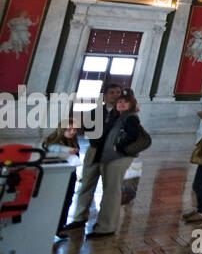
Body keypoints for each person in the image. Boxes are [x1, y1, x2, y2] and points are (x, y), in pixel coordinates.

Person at [66, 83, 123, 232]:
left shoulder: (124, 115)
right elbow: (87, 130)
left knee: (110, 189)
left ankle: (105, 223)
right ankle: (79, 218)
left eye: (118, 92)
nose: (115, 95)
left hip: (112, 155)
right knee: (86, 185)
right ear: (104, 96)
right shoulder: (94, 112)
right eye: (112, 92)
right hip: (94, 151)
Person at [88, 90, 144, 237]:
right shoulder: (120, 117)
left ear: (131, 104)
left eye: (125, 102)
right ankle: (103, 223)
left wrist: (118, 147)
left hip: (119, 158)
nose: (121, 104)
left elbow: (133, 135)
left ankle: (106, 227)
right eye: (119, 101)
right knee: (109, 190)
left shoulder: (130, 117)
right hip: (111, 157)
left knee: (112, 192)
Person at [44, 118, 81, 239]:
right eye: (69, 129)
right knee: (56, 201)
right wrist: (68, 151)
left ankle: (59, 227)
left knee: (67, 200)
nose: (72, 132)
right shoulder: (53, 141)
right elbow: (52, 148)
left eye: (74, 129)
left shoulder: (73, 141)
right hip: (58, 175)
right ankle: (51, 227)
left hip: (70, 174)